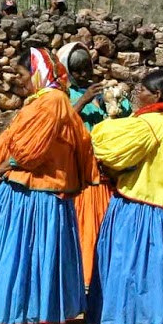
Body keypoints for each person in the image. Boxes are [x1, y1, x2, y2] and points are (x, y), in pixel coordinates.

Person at [0, 47, 94, 324]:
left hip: (37, 194)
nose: (20, 81)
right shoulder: (45, 100)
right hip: (33, 190)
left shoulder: (50, 102)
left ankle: (32, 319)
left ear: (37, 72)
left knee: (25, 254)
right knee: (33, 256)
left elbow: (30, 151)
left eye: (23, 74)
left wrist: (8, 164)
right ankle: (28, 316)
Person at [86, 69, 163, 324]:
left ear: (157, 95)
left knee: (131, 267)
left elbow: (105, 144)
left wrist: (107, 119)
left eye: (143, 90)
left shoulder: (148, 125)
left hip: (139, 206)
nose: (138, 94)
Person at [59, 41, 111, 289]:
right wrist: (85, 100)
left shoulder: (100, 92)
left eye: (87, 69)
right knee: (83, 225)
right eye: (77, 71)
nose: (83, 75)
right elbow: (62, 122)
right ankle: (83, 274)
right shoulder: (64, 95)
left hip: (102, 167)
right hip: (79, 168)